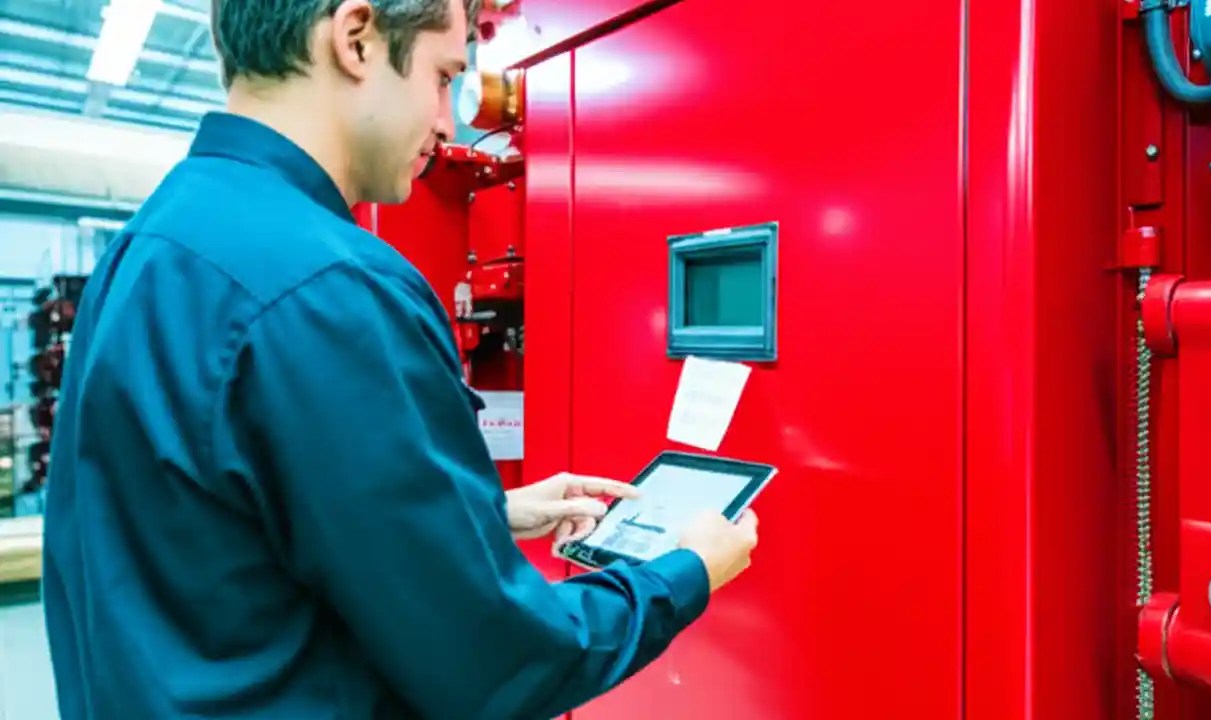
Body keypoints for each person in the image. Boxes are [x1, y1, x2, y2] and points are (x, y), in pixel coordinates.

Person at [40, 0, 761, 718]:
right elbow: (495, 663)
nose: (448, 121)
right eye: (444, 76)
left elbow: (210, 523)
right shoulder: (334, 285)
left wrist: (475, 512)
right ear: (356, 38)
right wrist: (685, 573)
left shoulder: (152, 245)